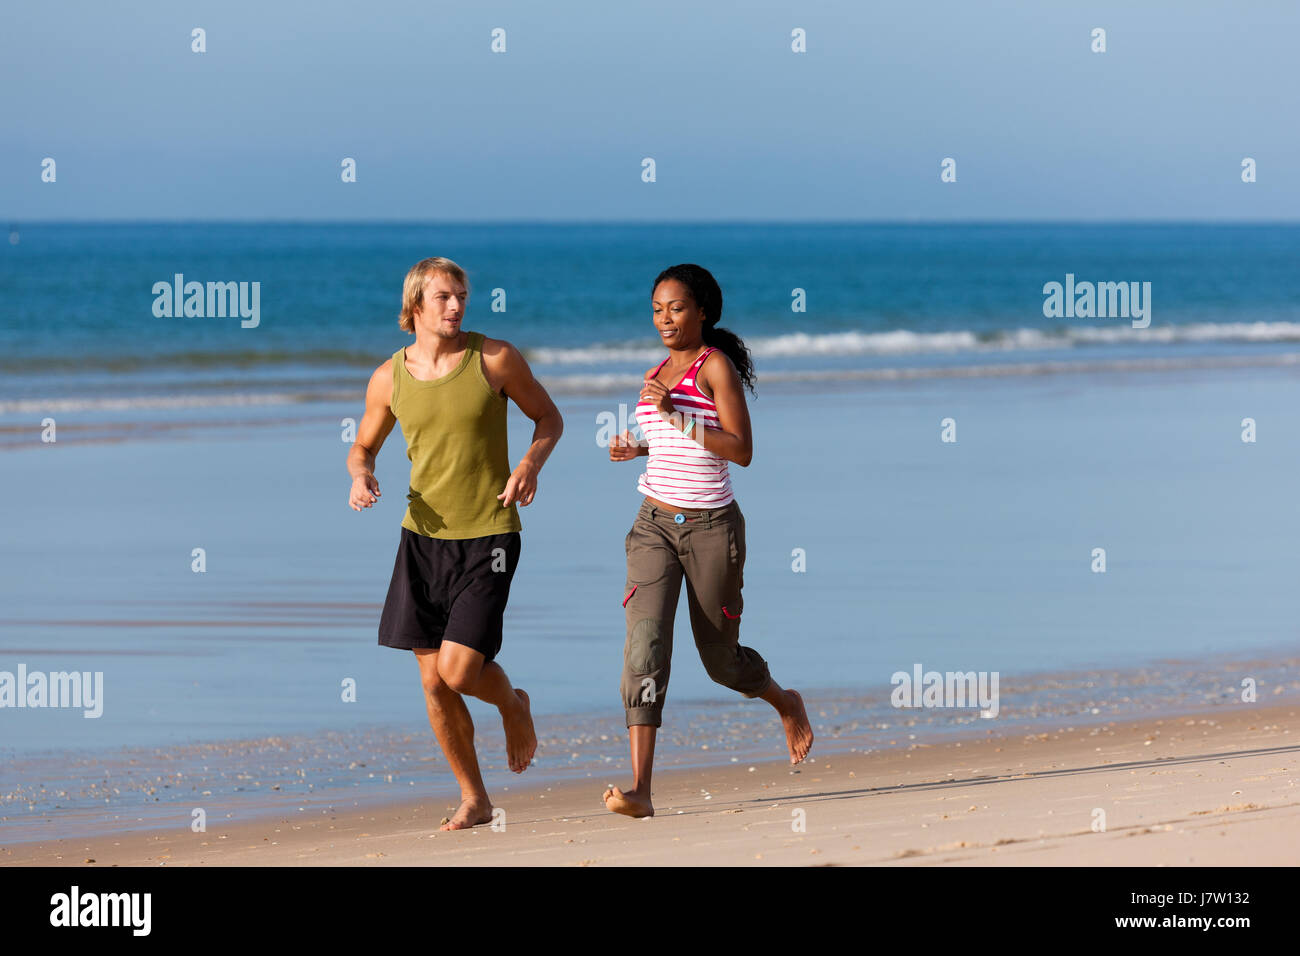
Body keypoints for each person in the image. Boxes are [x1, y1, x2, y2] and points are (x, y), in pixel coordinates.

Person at [346, 256, 563, 830]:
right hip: (422, 541)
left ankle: (514, 705)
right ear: (415, 305)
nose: (457, 306)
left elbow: (549, 418)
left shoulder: (494, 359)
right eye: (444, 296)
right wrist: (360, 474)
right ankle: (476, 798)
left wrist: (530, 465)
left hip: (489, 534)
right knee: (431, 680)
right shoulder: (389, 377)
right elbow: (363, 445)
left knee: (461, 670)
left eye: (462, 295)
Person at [604, 263, 813, 819]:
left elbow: (740, 448)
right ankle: (641, 790)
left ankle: (783, 700)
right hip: (652, 523)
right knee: (644, 649)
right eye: (656, 309)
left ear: (702, 312)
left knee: (721, 662)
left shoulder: (714, 367)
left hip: (710, 530)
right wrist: (639, 448)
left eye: (675, 308)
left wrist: (673, 415)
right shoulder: (653, 373)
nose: (664, 319)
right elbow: (678, 446)